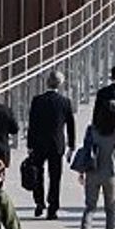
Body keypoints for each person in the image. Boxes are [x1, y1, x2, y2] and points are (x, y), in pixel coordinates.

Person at [26, 72, 77, 218]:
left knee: (38, 173)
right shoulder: (64, 101)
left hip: (39, 143)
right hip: (57, 143)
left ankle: (39, 202)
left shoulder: (37, 100)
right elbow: (70, 125)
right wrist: (71, 144)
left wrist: (30, 144)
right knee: (55, 176)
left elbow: (32, 124)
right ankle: (53, 207)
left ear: (47, 83)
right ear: (60, 84)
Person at [76, 111, 115, 229]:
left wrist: (81, 171)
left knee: (90, 206)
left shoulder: (91, 131)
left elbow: (86, 151)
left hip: (92, 172)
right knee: (110, 209)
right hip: (110, 174)